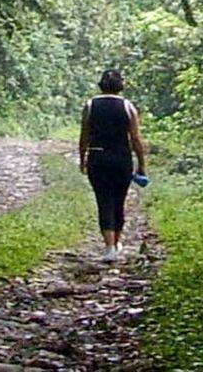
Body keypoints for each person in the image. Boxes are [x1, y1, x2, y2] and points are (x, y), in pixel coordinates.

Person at [77, 68, 147, 261]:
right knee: (119, 201)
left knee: (104, 200)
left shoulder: (90, 105)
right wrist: (141, 164)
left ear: (101, 85)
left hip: (97, 158)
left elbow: (84, 136)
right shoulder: (127, 106)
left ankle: (109, 247)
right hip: (121, 159)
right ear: (120, 86)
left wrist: (82, 158)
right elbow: (135, 138)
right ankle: (115, 243)